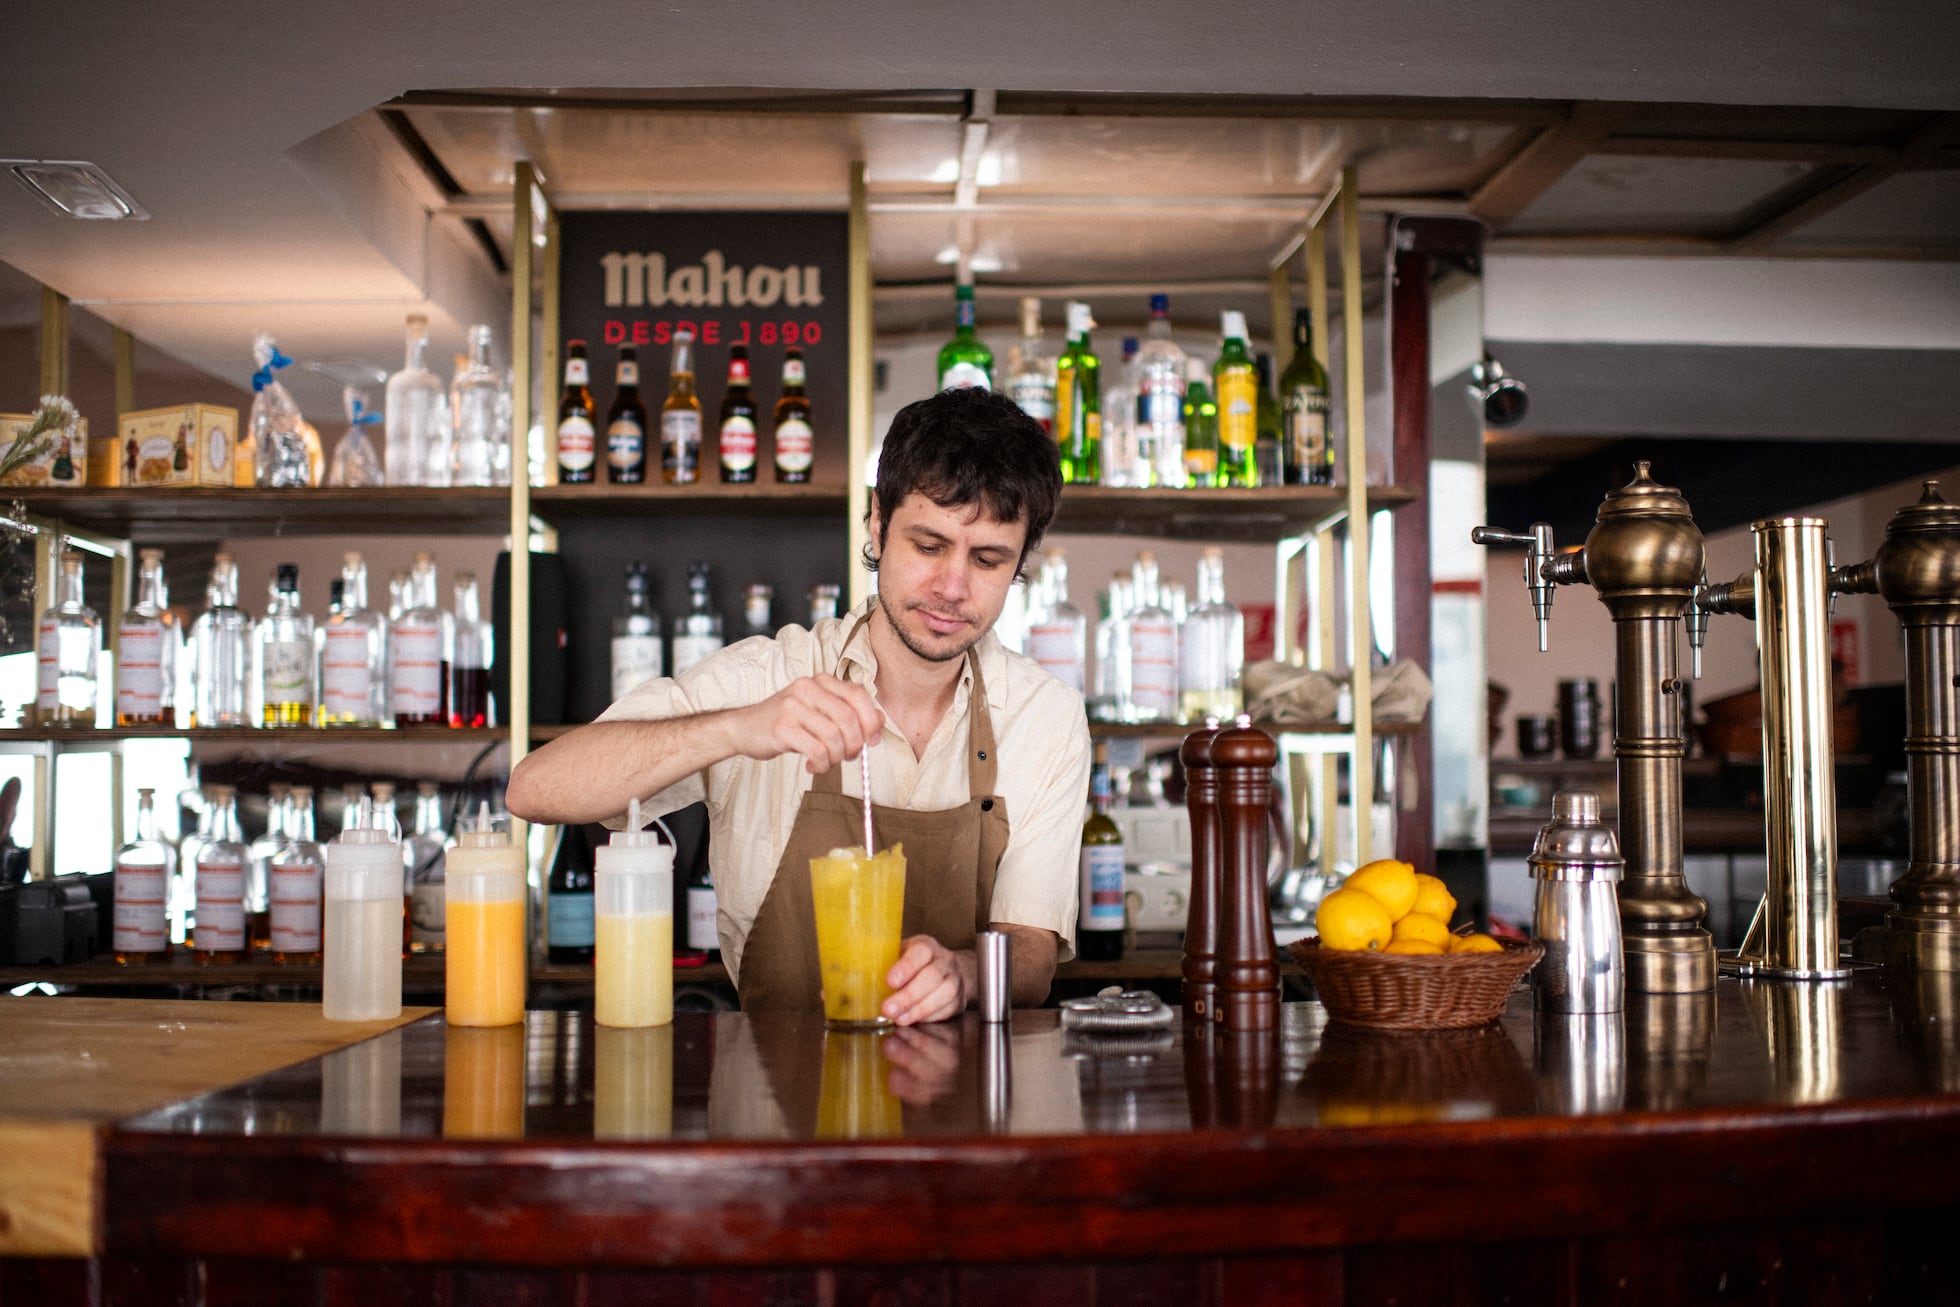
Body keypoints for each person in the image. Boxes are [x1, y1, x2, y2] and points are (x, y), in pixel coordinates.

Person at [507, 385, 1091, 1024]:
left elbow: (1032, 949)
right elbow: (535, 790)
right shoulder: (767, 677)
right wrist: (737, 728)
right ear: (877, 523)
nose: (951, 587)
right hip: (767, 1106)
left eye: (987, 560)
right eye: (927, 546)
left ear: (1021, 562)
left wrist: (968, 972)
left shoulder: (1046, 717)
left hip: (970, 1110)